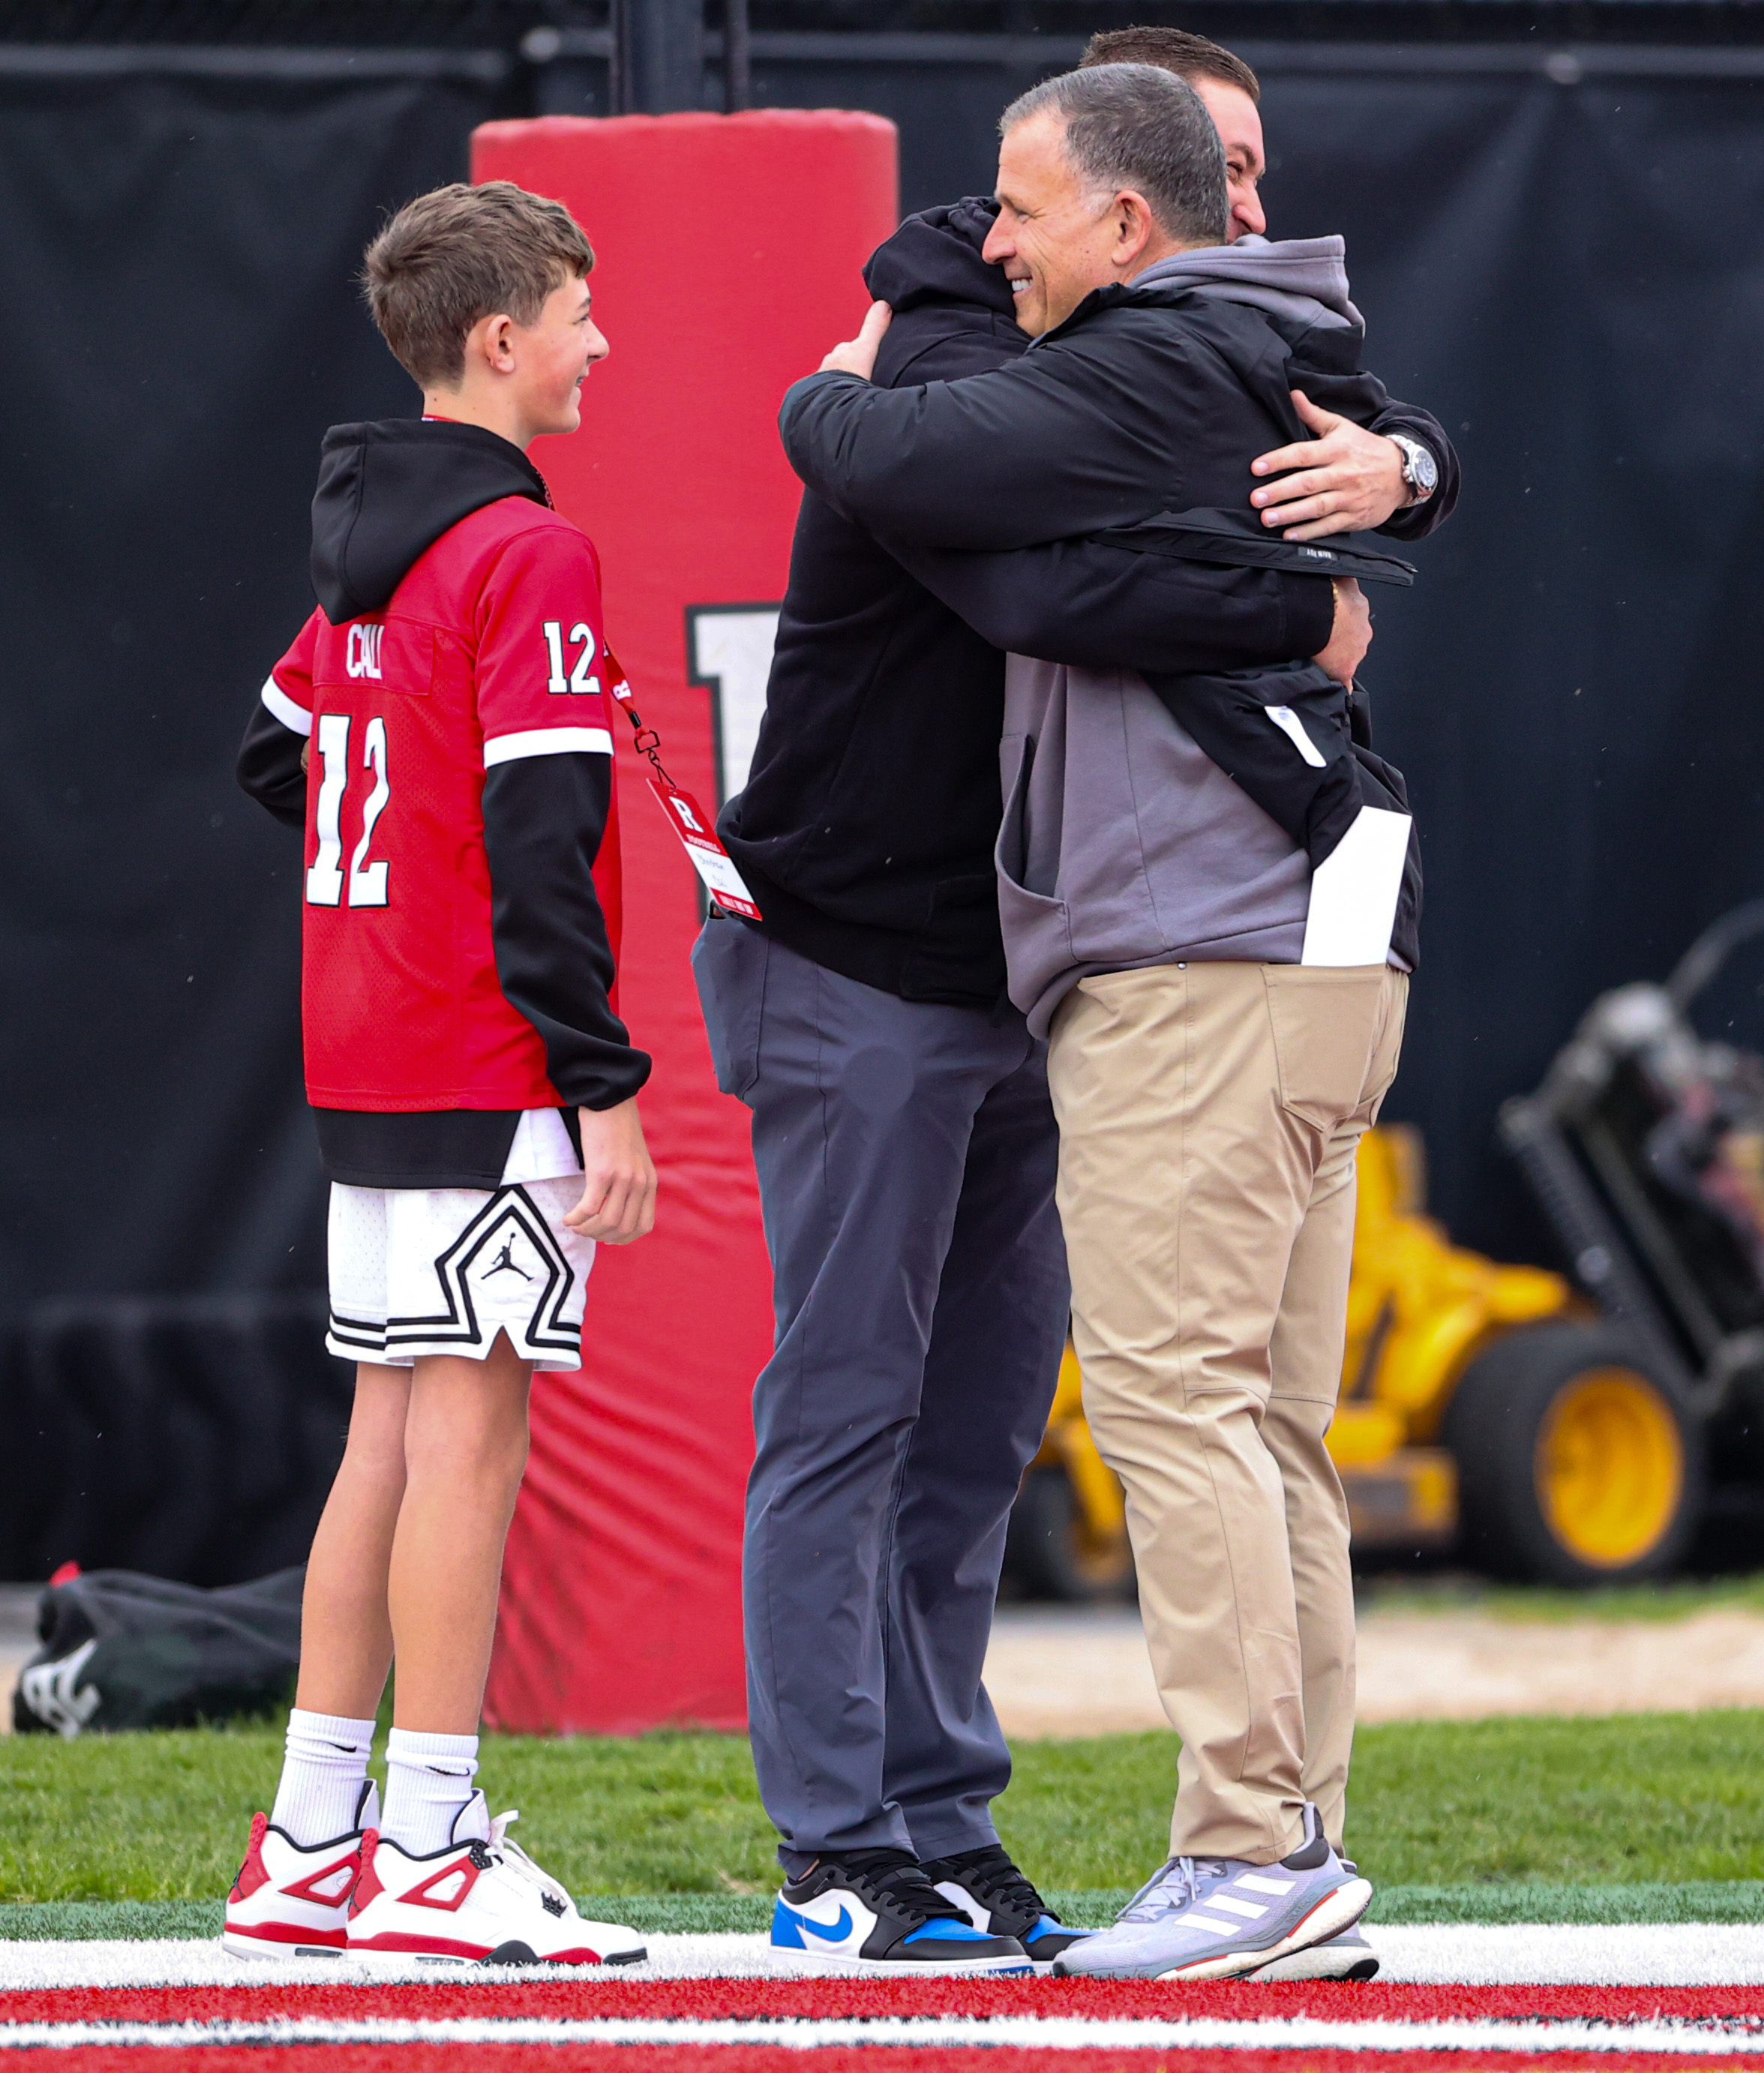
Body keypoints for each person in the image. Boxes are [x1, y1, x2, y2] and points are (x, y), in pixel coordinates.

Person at [698, 42, 1450, 1981]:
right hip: (876, 946)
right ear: (1130, 193)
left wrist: (1407, 472)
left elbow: (1345, 432)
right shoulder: (982, 318)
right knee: (864, 1412)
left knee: (1009, 1432)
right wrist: (1301, 603)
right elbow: (1011, 570)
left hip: (1070, 970)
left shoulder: (1190, 327)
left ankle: (981, 1826)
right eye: (1222, 170)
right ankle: (844, 1843)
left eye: (1257, 173)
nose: (1252, 213)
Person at [226, 181, 658, 1969]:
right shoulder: (525, 551)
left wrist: (397, 892)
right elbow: (543, 840)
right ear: (500, 338)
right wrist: (601, 1076)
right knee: (469, 1446)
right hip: (485, 1062)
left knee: (389, 1438)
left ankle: (310, 1843)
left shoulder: (369, 545)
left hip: (368, 1048)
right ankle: (428, 1845)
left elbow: (276, 755)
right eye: (577, 312)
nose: (598, 343)